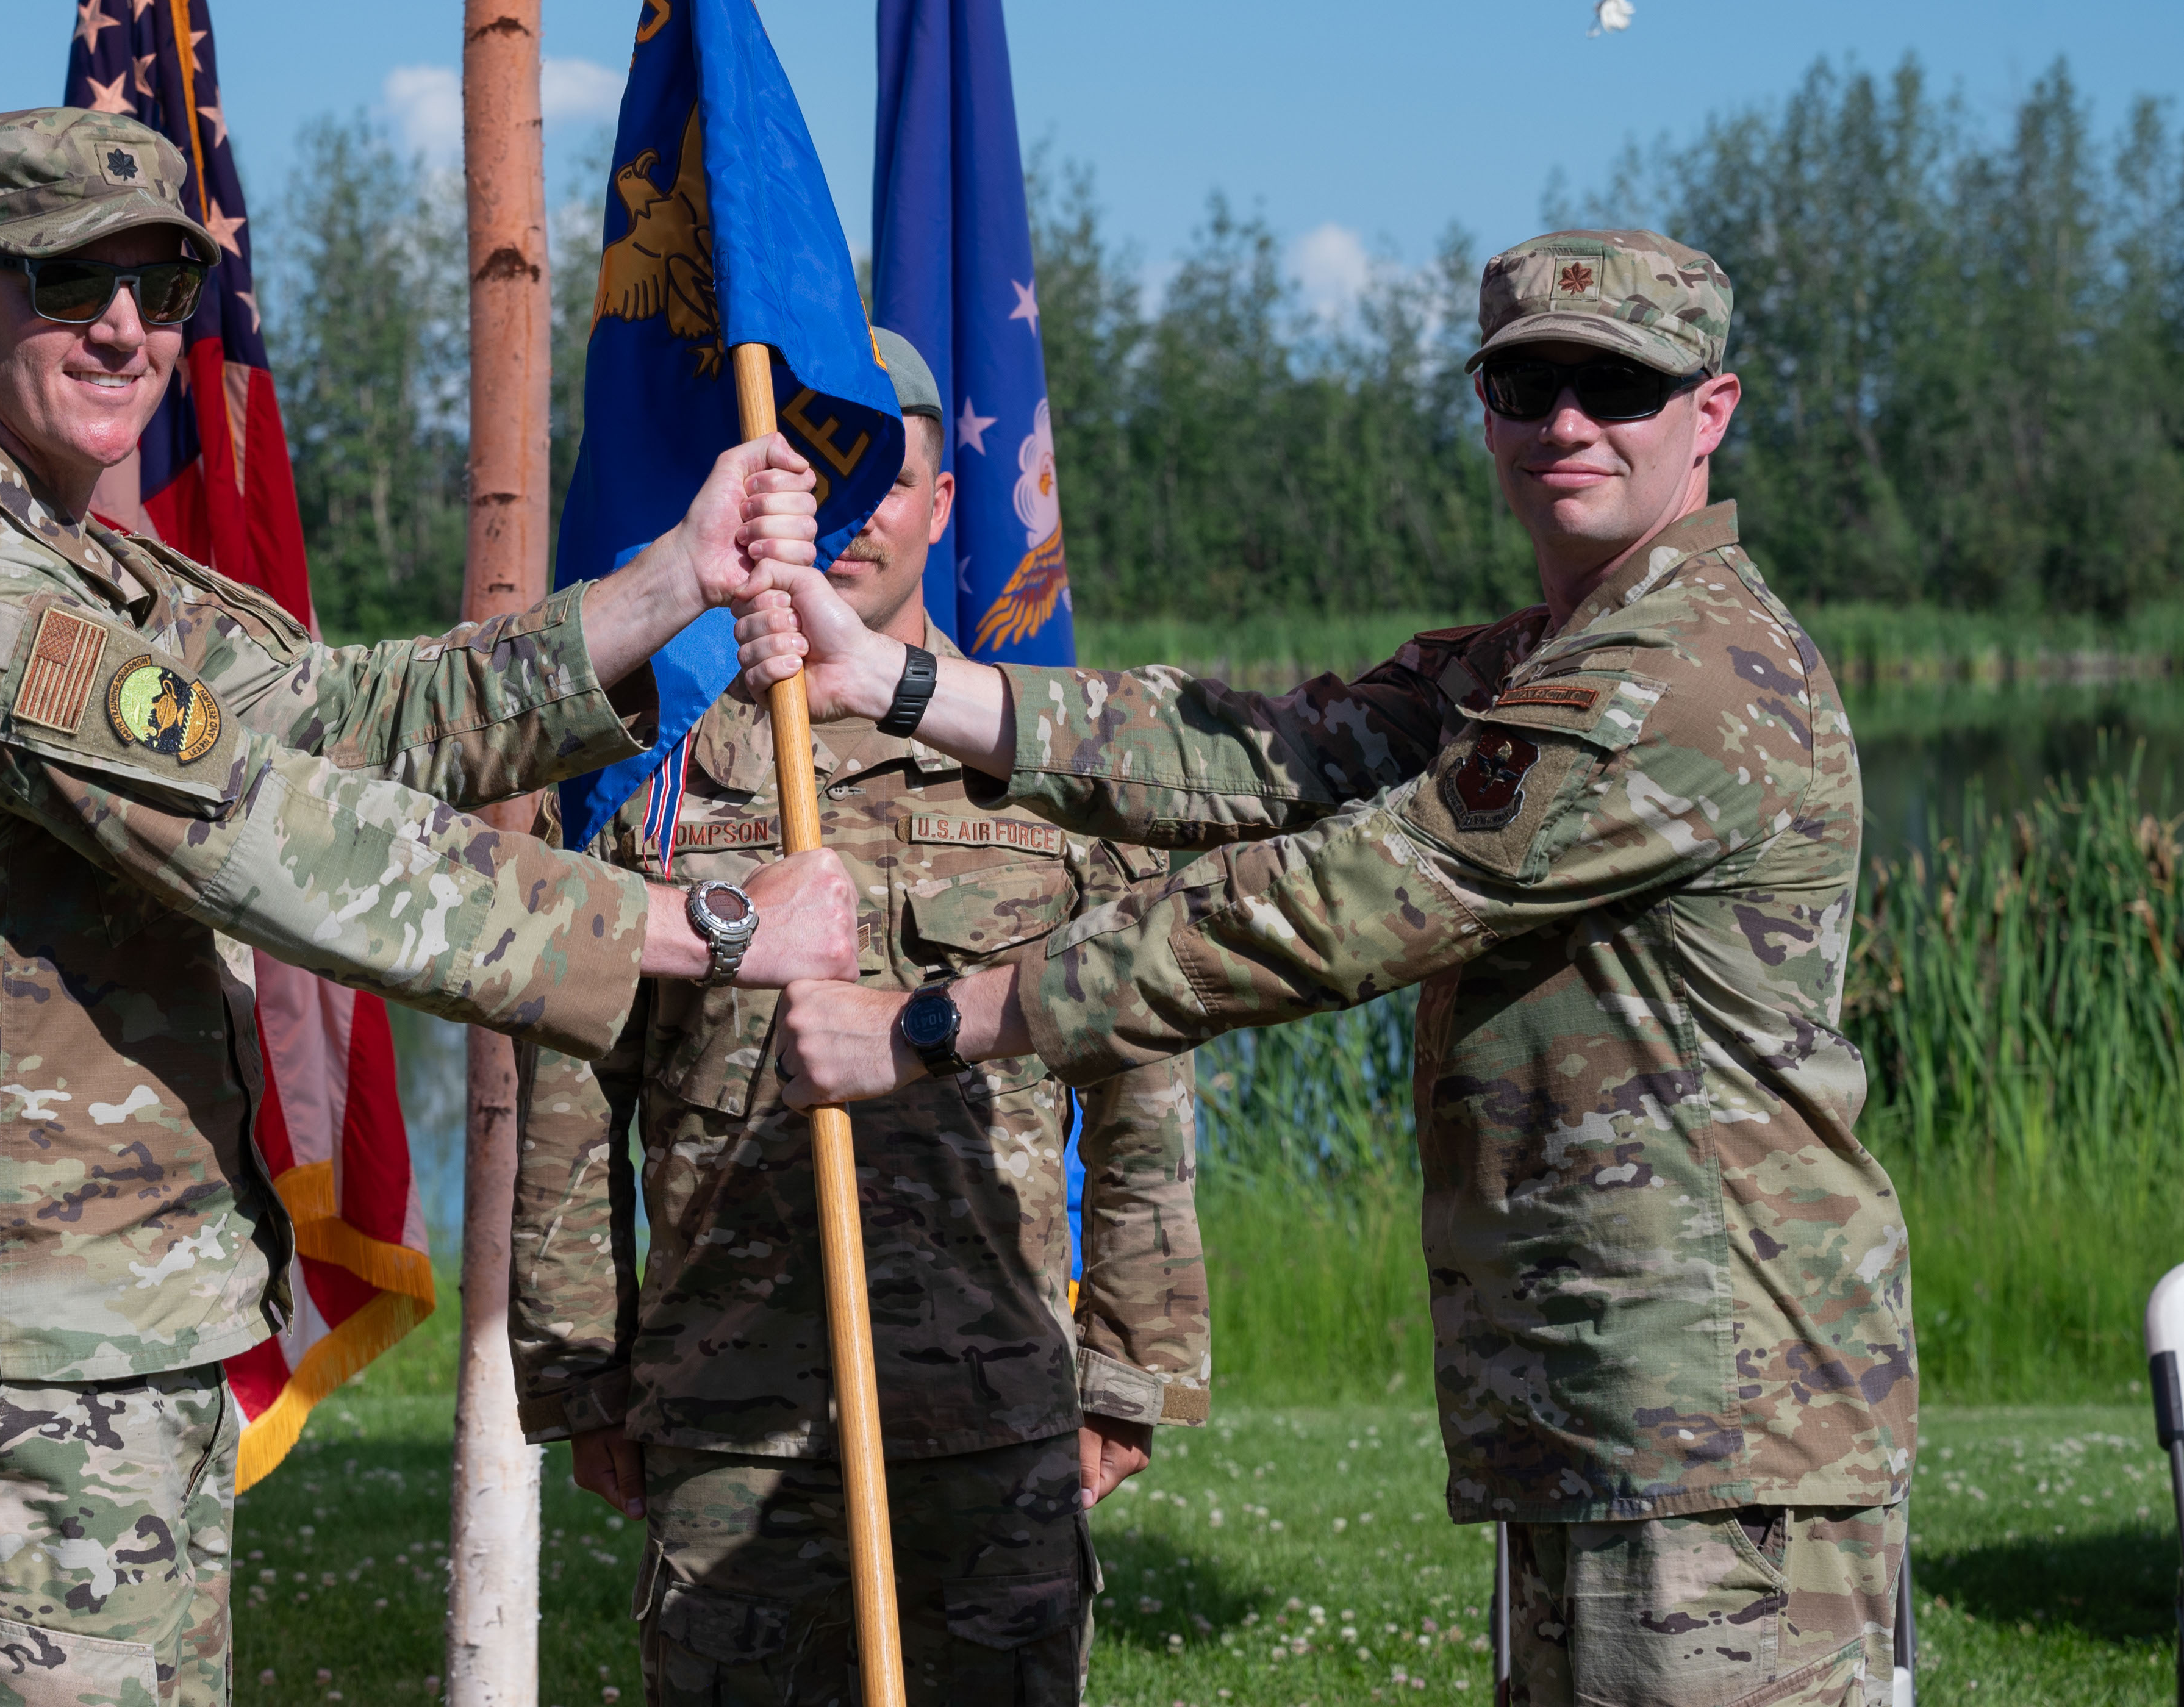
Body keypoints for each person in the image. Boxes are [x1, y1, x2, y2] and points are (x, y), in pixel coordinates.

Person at [0, 107, 858, 1707]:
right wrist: (708, 931)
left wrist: (669, 583)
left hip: (97, 1334)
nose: (127, 328)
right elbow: (285, 841)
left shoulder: (85, 576)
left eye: (159, 283)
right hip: (5, 1362)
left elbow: (349, 722)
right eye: (69, 282)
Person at [737, 232, 1915, 1707]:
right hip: (1604, 1404)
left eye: (1615, 384)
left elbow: (1339, 903)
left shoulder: (1681, 674)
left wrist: (932, 1023)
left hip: (1720, 1421)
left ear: (1708, 409)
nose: (1563, 422)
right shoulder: (1525, 661)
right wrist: (896, 680)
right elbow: (1257, 757)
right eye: (1523, 381)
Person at [510, 330, 1209, 1707]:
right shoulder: (653, 773)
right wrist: (582, 1371)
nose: (852, 511)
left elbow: (1136, 1075)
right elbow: (574, 1079)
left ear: (943, 504)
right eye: (818, 470)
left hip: (989, 1395)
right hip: (730, 1402)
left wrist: (1131, 1365)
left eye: (886, 475)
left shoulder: (1040, 766)